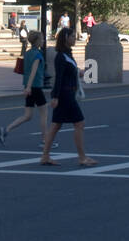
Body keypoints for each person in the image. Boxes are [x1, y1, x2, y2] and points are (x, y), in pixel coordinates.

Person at [40, 30, 96, 167]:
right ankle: (82, 157)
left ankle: (45, 156)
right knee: (79, 123)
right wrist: (55, 97)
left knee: (55, 126)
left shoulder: (67, 54)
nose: (74, 38)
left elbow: (69, 72)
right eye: (72, 36)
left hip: (67, 93)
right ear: (65, 38)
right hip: (65, 95)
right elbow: (59, 77)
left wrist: (79, 72)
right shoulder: (61, 56)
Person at [0, 30, 48, 146]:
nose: (43, 41)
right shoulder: (38, 54)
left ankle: (6, 129)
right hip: (35, 86)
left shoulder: (28, 53)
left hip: (28, 86)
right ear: (37, 41)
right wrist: (29, 87)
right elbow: (33, 72)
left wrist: (27, 86)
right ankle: (45, 140)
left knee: (28, 115)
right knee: (44, 113)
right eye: (42, 39)